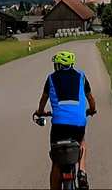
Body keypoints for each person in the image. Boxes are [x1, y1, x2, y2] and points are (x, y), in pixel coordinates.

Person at [34, 50, 97, 190]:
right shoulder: (81, 77)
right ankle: (82, 171)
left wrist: (40, 112)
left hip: (59, 126)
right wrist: (91, 111)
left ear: (58, 65)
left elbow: (43, 101)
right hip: (78, 123)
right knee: (82, 142)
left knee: (57, 160)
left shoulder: (51, 78)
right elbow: (91, 100)